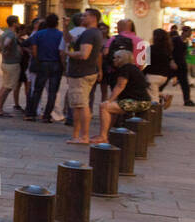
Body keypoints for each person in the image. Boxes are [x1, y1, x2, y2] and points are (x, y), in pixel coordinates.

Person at [93, 49, 151, 142]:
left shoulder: (125, 69)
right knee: (112, 108)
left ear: (122, 59)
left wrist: (109, 100)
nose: (114, 60)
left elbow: (120, 86)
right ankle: (106, 134)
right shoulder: (133, 68)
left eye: (116, 58)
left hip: (137, 102)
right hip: (143, 101)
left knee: (104, 107)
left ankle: (103, 136)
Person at [64, 9, 103, 144]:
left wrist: (69, 54)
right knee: (79, 104)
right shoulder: (93, 33)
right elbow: (70, 40)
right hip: (87, 71)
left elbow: (84, 54)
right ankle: (77, 135)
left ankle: (83, 136)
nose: (82, 18)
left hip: (81, 73)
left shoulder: (89, 33)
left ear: (93, 18)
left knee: (81, 105)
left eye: (85, 16)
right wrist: (65, 26)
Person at [25, 12, 64, 122]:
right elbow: (62, 51)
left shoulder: (39, 34)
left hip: (42, 63)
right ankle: (47, 115)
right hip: (56, 63)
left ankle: (31, 113)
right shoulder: (60, 35)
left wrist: (37, 59)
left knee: (37, 90)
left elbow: (33, 47)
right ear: (57, 23)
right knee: (52, 92)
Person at [0, 15, 22, 117]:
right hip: (12, 63)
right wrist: (7, 50)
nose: (18, 24)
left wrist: (3, 50)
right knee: (7, 87)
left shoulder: (5, 32)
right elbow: (6, 43)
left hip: (6, 62)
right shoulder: (11, 34)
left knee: (5, 86)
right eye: (17, 22)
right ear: (14, 23)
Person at [145, 28, 176, 108]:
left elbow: (147, 64)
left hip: (152, 76)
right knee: (151, 91)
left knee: (154, 99)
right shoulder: (168, 49)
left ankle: (154, 116)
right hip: (164, 76)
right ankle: (165, 96)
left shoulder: (151, 48)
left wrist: (142, 73)